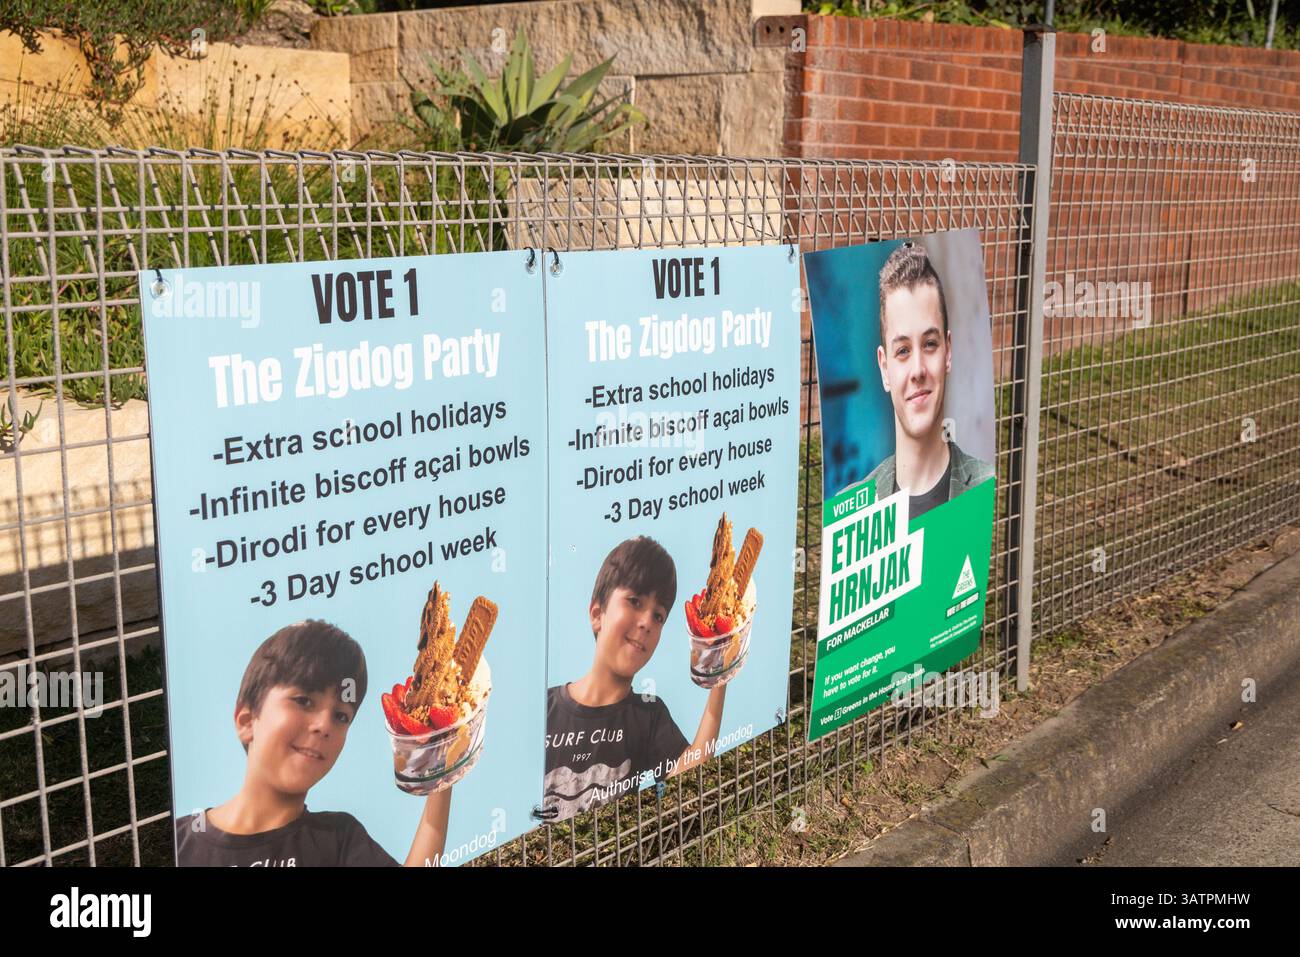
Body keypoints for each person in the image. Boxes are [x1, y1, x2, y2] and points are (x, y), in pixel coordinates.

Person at [174, 619, 451, 866]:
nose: (324, 726)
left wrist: (442, 769)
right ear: (247, 721)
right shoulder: (181, 840)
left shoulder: (339, 839)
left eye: (341, 716)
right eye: (303, 701)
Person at [543, 536, 725, 820]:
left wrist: (719, 676)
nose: (646, 623)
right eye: (634, 601)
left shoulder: (648, 714)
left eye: (659, 616)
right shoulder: (544, 709)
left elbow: (689, 775)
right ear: (597, 614)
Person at [860, 242, 993, 518]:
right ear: (884, 369)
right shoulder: (855, 509)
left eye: (930, 344)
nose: (918, 370)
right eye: (903, 351)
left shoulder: (983, 483)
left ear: (948, 352)